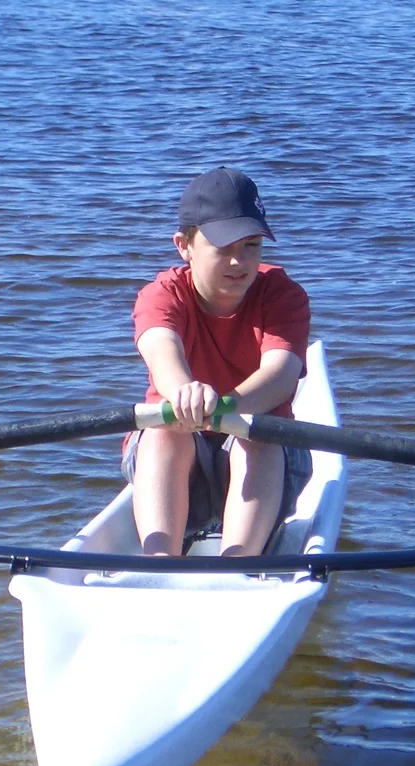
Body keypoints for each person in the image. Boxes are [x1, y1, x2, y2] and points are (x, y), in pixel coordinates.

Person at [121, 166, 313, 557]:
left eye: (251, 246)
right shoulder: (161, 295)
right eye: (223, 248)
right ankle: (159, 565)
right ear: (184, 245)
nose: (239, 262)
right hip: (173, 455)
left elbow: (280, 376)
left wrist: (224, 410)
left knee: (255, 434)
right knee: (163, 430)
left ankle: (236, 565)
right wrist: (184, 396)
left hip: (269, 460)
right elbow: (161, 351)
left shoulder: (283, 295)